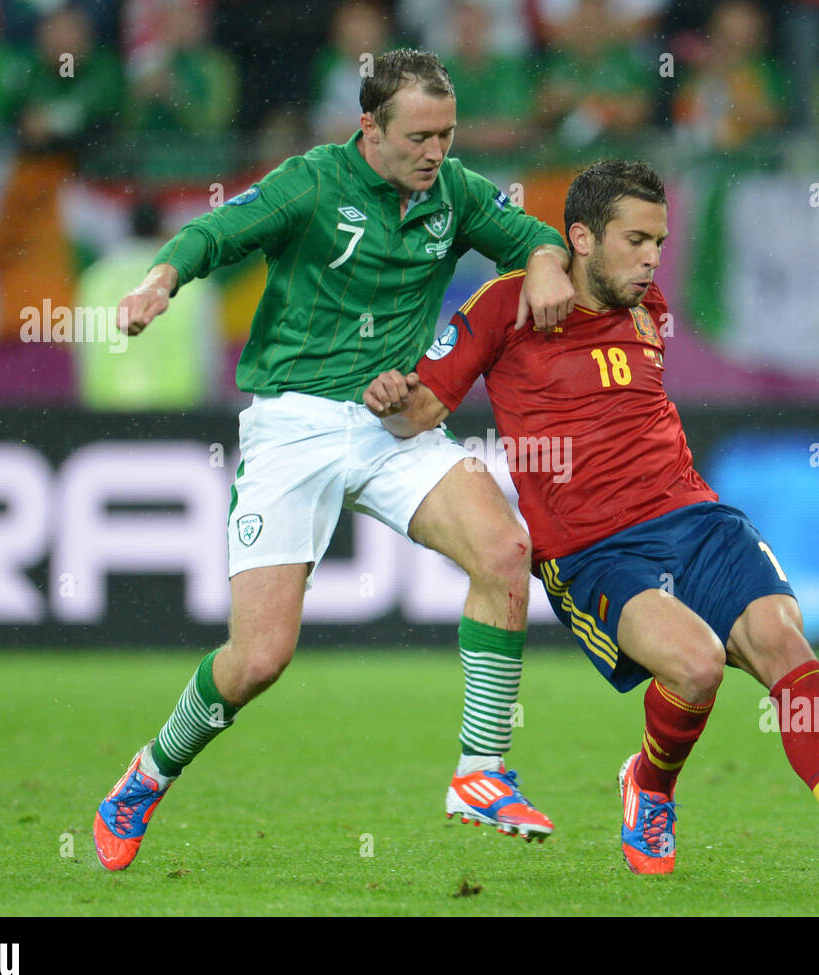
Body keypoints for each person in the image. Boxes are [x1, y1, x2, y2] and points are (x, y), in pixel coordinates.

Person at [362, 159, 819, 884]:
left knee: (784, 646)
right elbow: (417, 413)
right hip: (593, 552)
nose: (650, 259)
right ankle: (651, 785)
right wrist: (388, 394)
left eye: (659, 243)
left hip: (695, 516)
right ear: (580, 237)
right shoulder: (505, 306)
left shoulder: (651, 308)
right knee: (697, 666)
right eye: (635, 240)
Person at [92, 49, 575, 871]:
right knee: (259, 660)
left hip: (395, 425)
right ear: (368, 129)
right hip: (295, 425)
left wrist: (546, 265)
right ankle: (146, 775)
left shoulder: (452, 193)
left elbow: (531, 236)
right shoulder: (311, 182)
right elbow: (215, 232)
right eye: (418, 136)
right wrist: (159, 282)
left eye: (447, 135)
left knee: (506, 551)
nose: (435, 153)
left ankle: (481, 771)